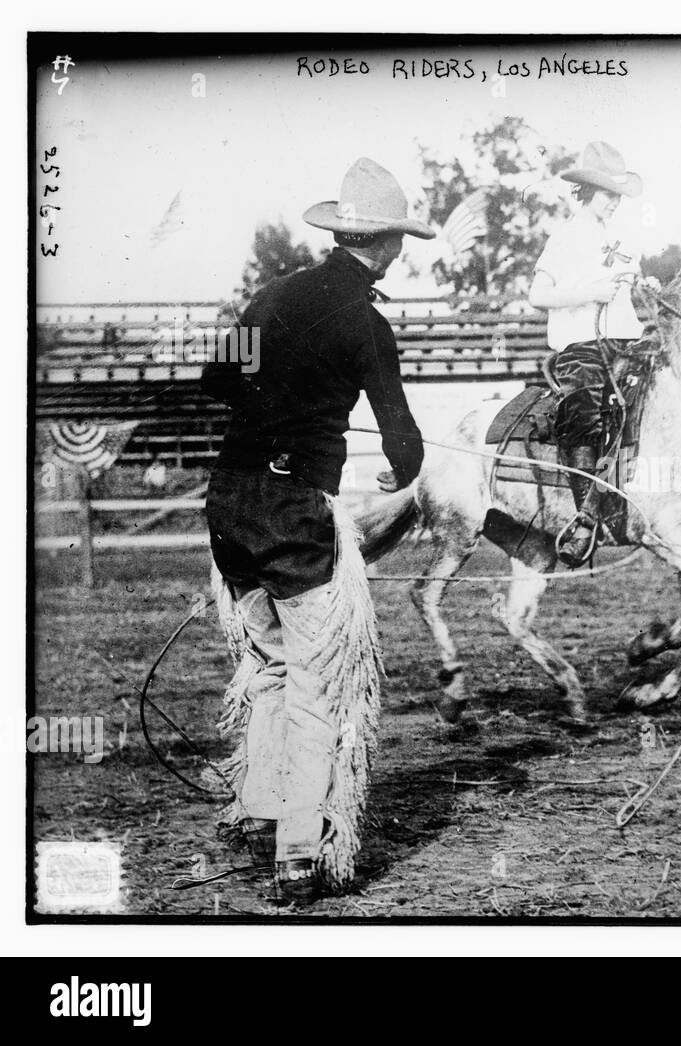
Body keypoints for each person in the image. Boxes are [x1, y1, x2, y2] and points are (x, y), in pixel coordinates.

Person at [202, 157, 430, 904]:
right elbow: (403, 442)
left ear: (339, 233)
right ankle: (299, 854)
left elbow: (216, 380)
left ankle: (261, 808)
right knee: (314, 684)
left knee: (268, 665)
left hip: (229, 507)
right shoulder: (367, 325)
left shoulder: (270, 297)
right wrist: (400, 471)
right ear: (389, 243)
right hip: (297, 512)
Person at [528, 141, 645, 566]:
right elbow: (536, 295)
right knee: (584, 409)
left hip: (625, 343)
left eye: (617, 195)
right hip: (581, 347)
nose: (614, 202)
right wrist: (589, 293)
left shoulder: (622, 237)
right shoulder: (566, 236)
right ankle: (584, 519)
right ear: (586, 192)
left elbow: (630, 292)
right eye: (607, 194)